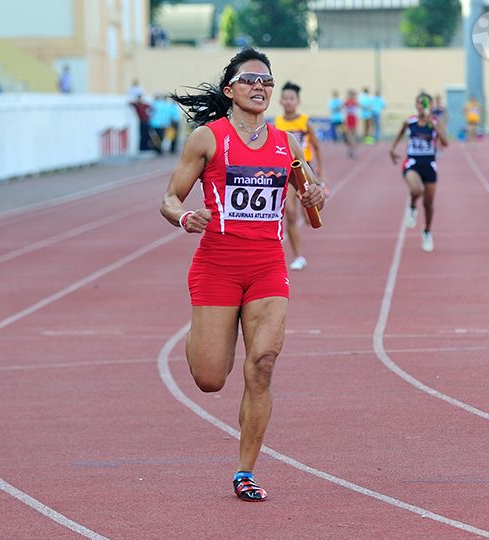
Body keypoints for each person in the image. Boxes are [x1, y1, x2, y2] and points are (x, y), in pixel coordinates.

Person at [159, 47, 325, 502]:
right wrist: (183, 217)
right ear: (230, 89)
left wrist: (317, 193)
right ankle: (205, 329)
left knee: (263, 365)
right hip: (217, 265)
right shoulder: (207, 139)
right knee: (211, 378)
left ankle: (245, 471)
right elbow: (169, 198)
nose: (261, 87)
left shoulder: (286, 143)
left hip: (267, 266)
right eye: (251, 79)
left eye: (267, 81)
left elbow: (310, 195)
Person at [274, 81, 325, 271]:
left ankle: (314, 200)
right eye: (285, 98)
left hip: (305, 169)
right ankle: (298, 256)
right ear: (280, 101)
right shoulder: (277, 124)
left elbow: (317, 147)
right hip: (285, 172)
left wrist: (321, 171)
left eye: (292, 98)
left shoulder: (305, 122)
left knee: (311, 213)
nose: (288, 102)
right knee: (290, 213)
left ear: (298, 101)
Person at [389, 92, 449, 252]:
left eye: (425, 104)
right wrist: (392, 148)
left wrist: (435, 125)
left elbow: (445, 142)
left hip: (429, 164)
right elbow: (400, 133)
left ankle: (427, 231)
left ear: (430, 106)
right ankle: (412, 206)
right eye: (420, 104)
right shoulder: (410, 121)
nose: (422, 107)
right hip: (412, 163)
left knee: (429, 204)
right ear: (416, 105)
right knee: (417, 190)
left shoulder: (436, 122)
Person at [343, 89, 359, 158]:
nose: (351, 96)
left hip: (353, 119)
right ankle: (350, 150)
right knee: (349, 136)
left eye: (352, 95)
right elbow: (343, 108)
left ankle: (353, 151)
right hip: (348, 120)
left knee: (354, 136)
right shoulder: (346, 102)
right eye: (350, 95)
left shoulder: (355, 102)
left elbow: (358, 109)